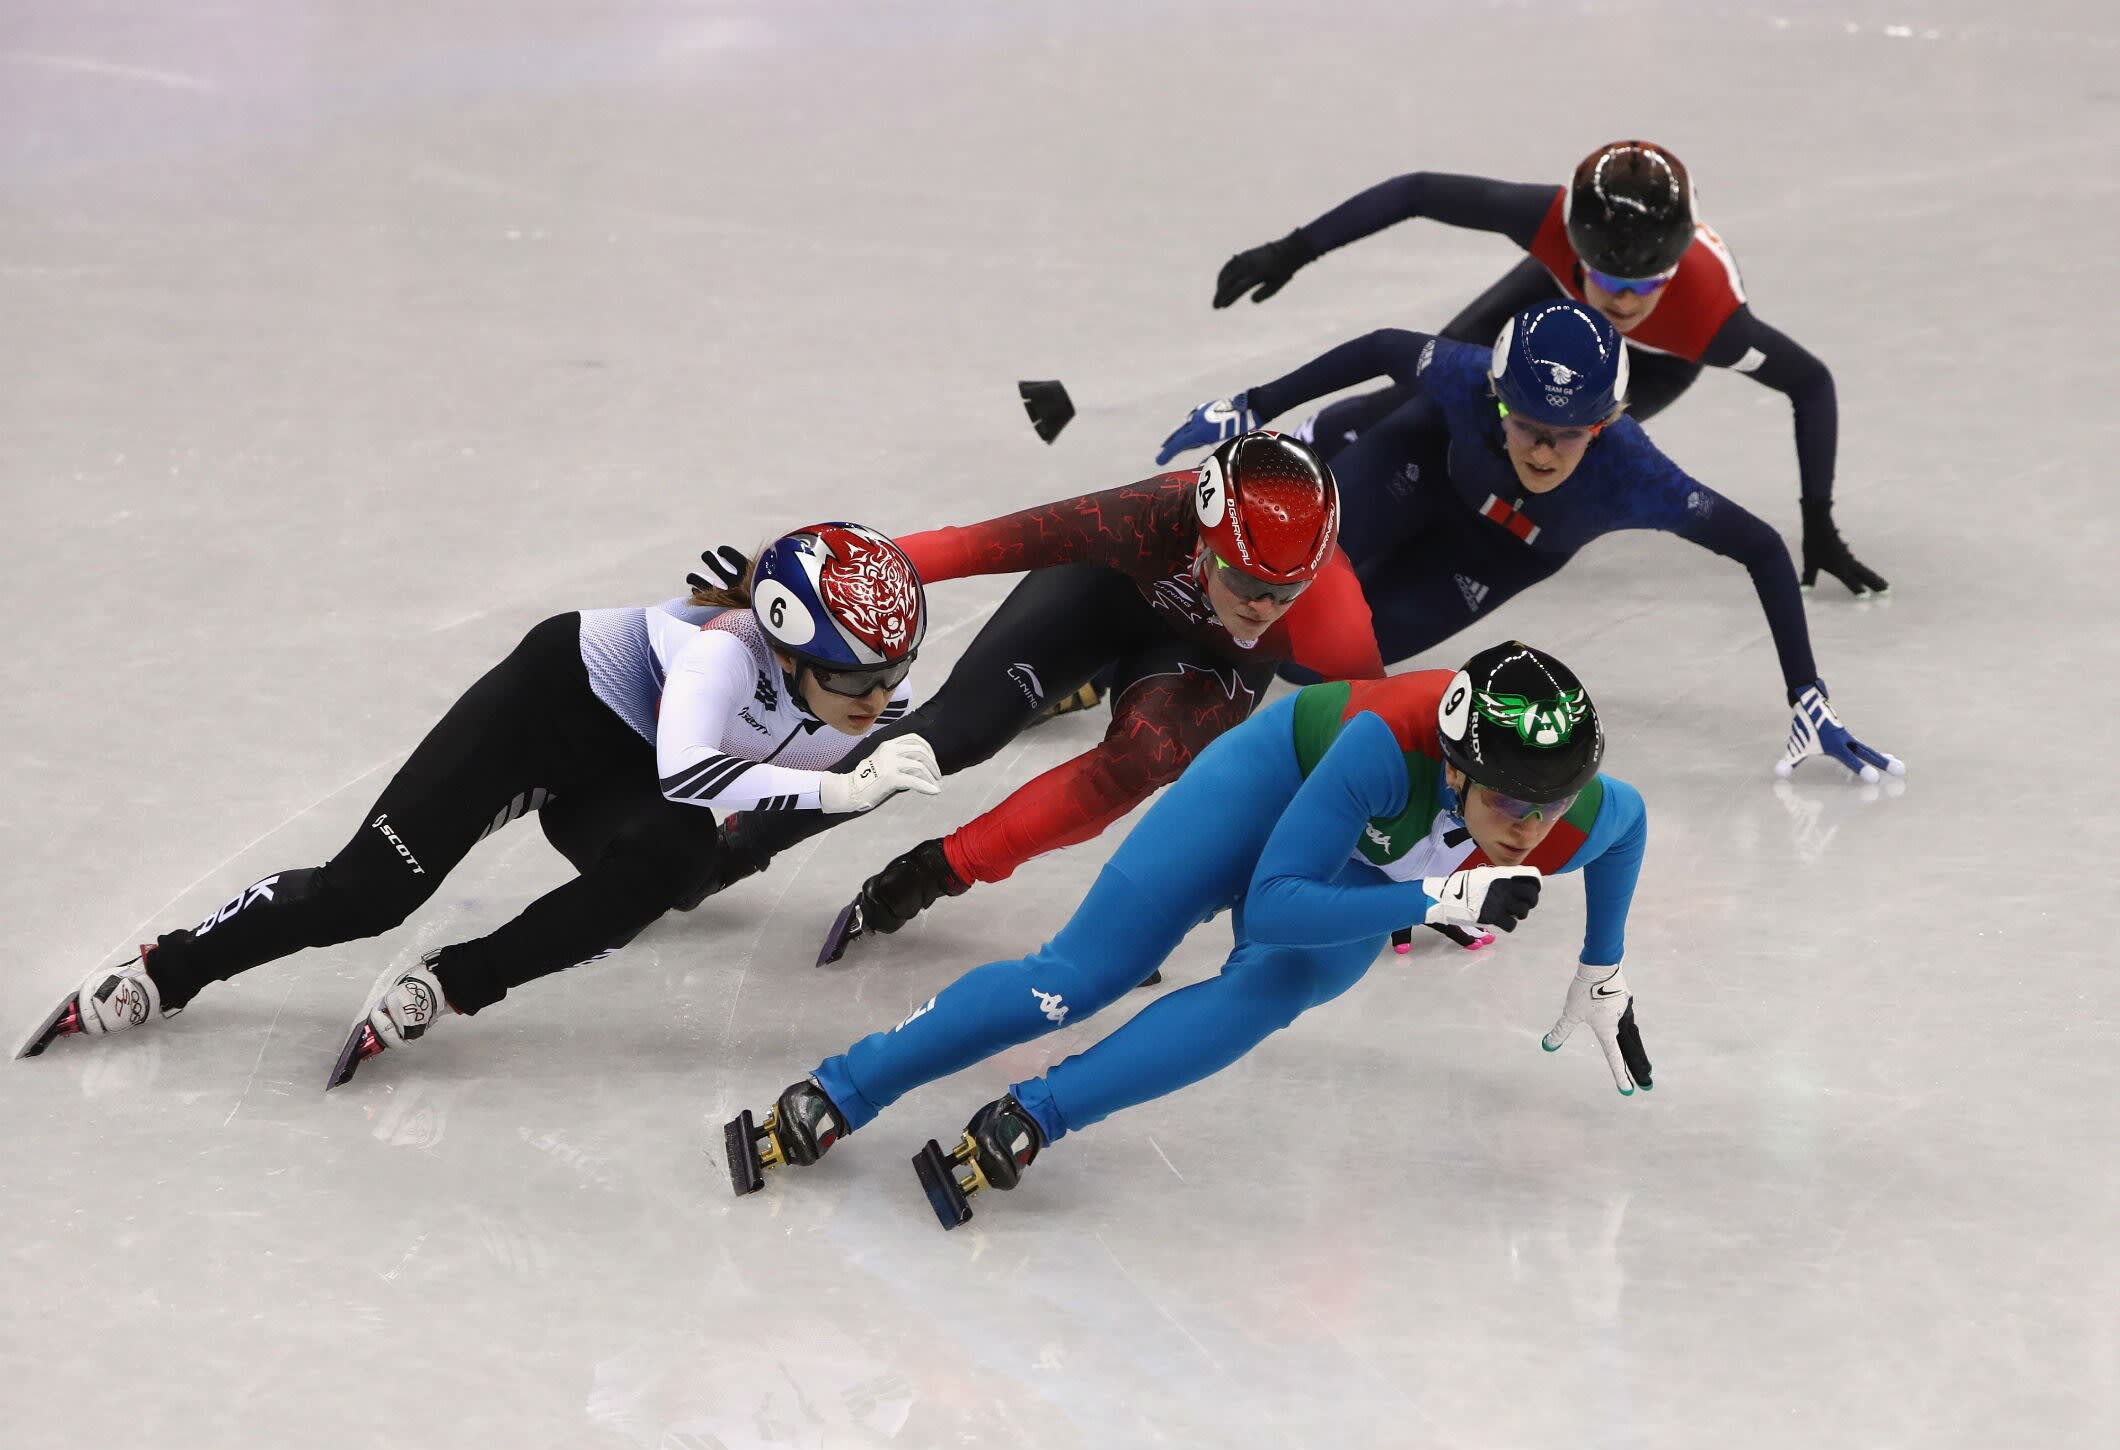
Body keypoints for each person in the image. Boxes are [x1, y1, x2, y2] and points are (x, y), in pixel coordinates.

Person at [724, 642, 1651, 1229]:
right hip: (1274, 784)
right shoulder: (1382, 743)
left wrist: (1601, 967)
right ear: (1452, 768)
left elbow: (1631, 824)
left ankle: (1036, 1115)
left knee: (1269, 994)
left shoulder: (1575, 814)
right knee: (1081, 977)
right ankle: (842, 1089)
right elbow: (1280, 900)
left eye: (1550, 804)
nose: (1529, 828)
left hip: (1365, 862)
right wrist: (1436, 902)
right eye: (1505, 800)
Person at [17, 524, 940, 1087]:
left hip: (627, 776)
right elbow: (698, 773)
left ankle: (456, 981)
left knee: (674, 869)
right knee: (364, 898)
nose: (876, 696)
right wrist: (840, 790)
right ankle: (170, 968)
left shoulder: (857, 695)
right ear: (782, 647)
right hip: (550, 711)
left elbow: (717, 797)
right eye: (856, 673)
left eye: (891, 672)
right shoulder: (724, 656)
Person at [698, 431, 1385, 963]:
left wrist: (1409, 856)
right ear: (1202, 539)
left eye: (1286, 591)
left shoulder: (1334, 615)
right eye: (1245, 581)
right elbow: (975, 547)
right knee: (953, 733)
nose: (1264, 605)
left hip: (1204, 664)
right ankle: (735, 845)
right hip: (1107, 593)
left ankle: (942, 866)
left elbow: (1391, 741)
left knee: (1145, 756)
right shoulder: (1144, 517)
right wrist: (796, 579)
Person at [1155, 298, 1902, 783]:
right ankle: (1130, 648)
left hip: (1494, 556)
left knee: (1309, 665)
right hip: (1420, 467)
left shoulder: (1639, 477)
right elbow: (1384, 346)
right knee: (1275, 565)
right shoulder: (1467, 376)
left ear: (1604, 425)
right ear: (1497, 398)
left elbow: (1763, 548)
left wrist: (1808, 693)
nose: (1543, 453)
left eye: (1568, 437)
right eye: (1527, 429)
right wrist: (1254, 405)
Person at [1210, 138, 1887, 597]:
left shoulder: (1709, 320)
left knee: (1513, 455)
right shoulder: (1547, 221)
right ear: (1574, 247)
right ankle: (1311, 441)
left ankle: (1386, 537)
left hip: (1652, 365)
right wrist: (1293, 249)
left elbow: (1811, 383)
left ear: (1674, 272)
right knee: (1426, 395)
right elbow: (1417, 190)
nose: (1623, 300)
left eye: (1646, 284)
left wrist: (1818, 519)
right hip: (1547, 294)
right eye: (1606, 276)